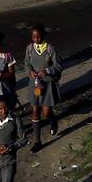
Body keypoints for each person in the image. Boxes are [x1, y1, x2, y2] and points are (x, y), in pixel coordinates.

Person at [24, 24, 62, 153]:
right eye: (34, 37)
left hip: (47, 84)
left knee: (45, 112)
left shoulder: (50, 49)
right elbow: (26, 64)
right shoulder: (29, 49)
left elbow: (58, 66)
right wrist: (30, 72)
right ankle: (37, 141)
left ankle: (52, 121)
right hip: (34, 84)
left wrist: (47, 71)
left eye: (38, 37)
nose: (36, 39)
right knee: (35, 110)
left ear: (43, 36)